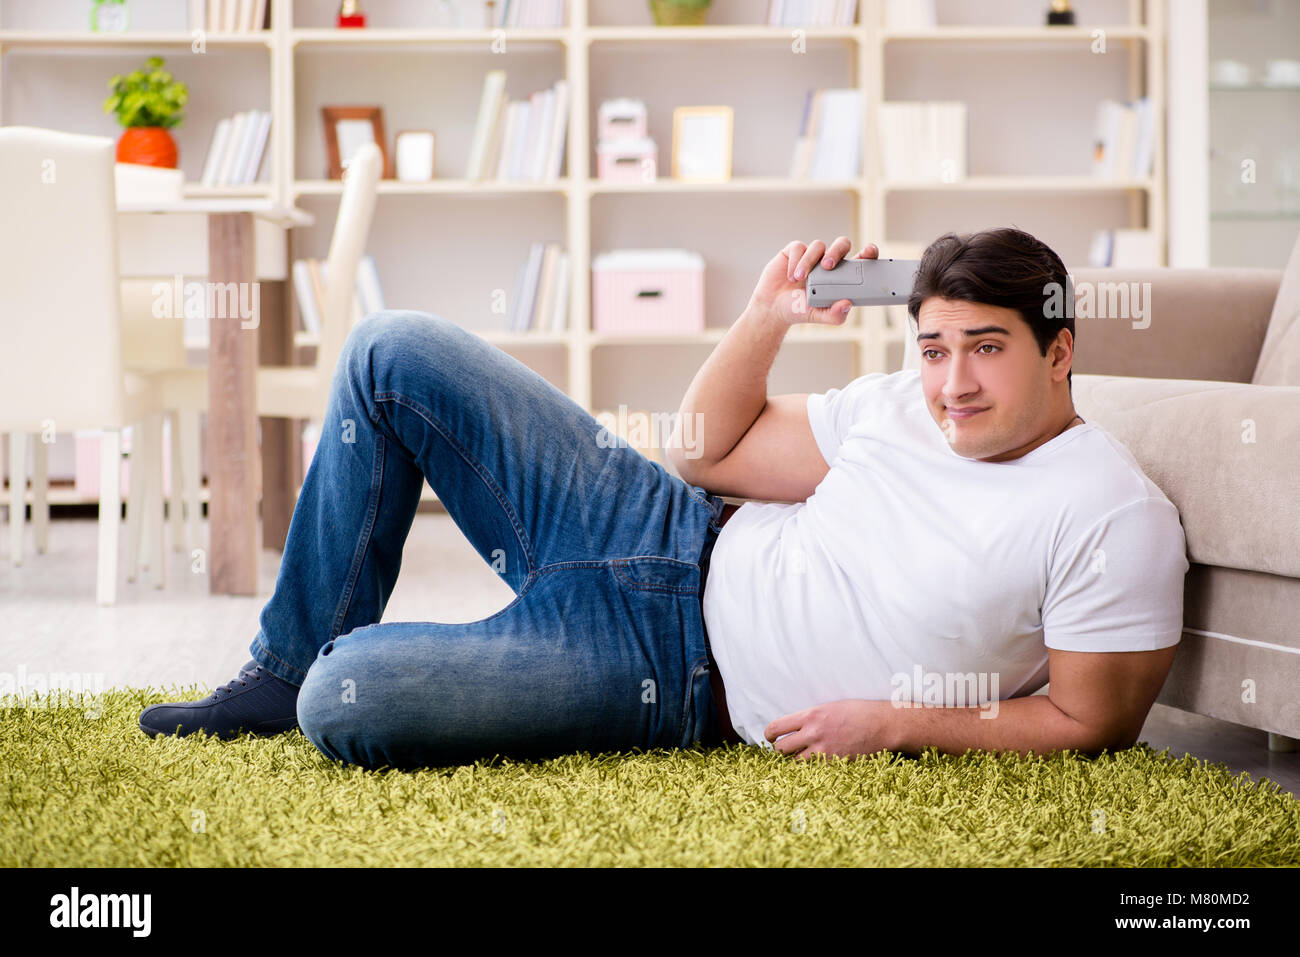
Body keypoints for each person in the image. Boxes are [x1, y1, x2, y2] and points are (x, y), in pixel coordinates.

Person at [139, 226, 1190, 768]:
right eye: (935, 349)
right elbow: (704, 451)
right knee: (390, 349)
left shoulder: (1109, 514)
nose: (953, 382)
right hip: (662, 526)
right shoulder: (898, 407)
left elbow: (1084, 721)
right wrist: (767, 315)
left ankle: (336, 676)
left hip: (672, 677)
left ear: (1059, 352)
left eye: (987, 350)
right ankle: (276, 666)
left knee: (349, 702)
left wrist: (894, 722)